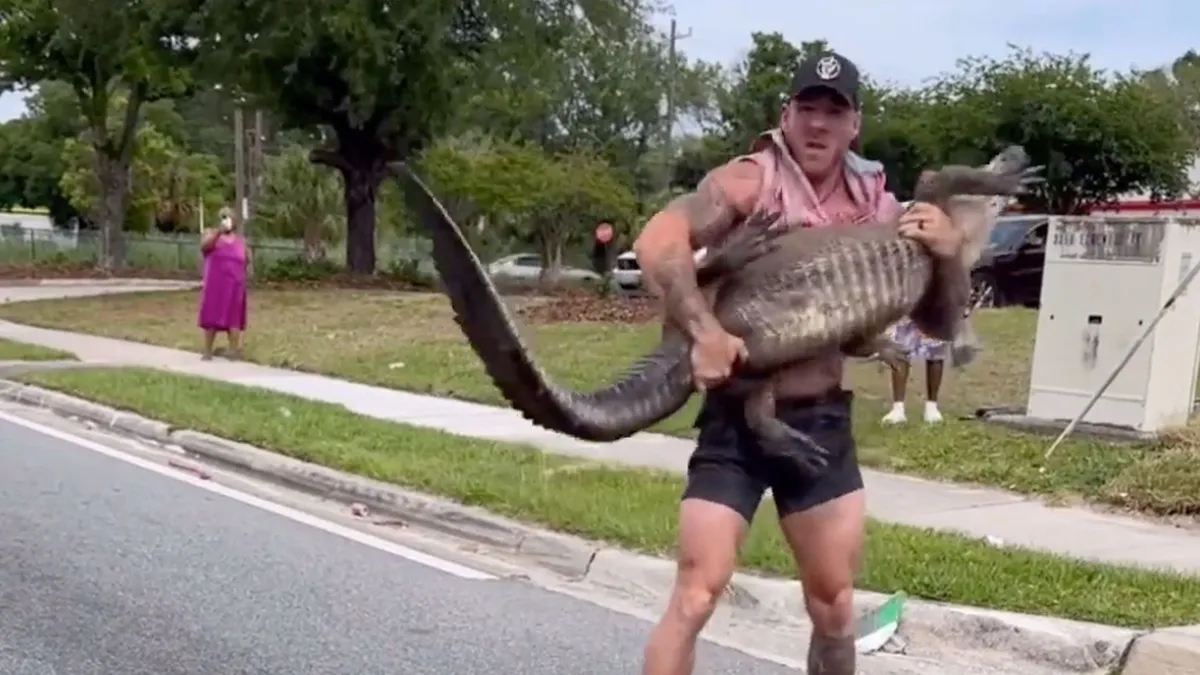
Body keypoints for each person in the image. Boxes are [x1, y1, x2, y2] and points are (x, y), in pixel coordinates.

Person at [631, 51, 964, 675]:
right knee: (697, 592)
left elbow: (939, 325)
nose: (817, 124)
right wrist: (703, 329)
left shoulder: (880, 206)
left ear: (853, 126)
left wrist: (949, 255)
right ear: (785, 114)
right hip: (735, 415)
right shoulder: (750, 180)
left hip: (820, 421)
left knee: (835, 605)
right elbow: (657, 243)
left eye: (832, 113)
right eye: (806, 108)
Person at [198, 207, 251, 360]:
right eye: (223, 217)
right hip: (216, 285)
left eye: (229, 217)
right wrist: (218, 232)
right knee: (212, 316)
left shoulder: (240, 241)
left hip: (235, 286)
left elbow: (246, 259)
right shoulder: (211, 235)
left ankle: (233, 351)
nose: (226, 219)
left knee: (234, 318)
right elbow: (204, 247)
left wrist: (245, 275)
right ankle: (208, 351)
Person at [881, 318, 947, 424]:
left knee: (935, 351)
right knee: (900, 349)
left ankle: (932, 408)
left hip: (934, 306)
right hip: (908, 307)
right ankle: (898, 409)